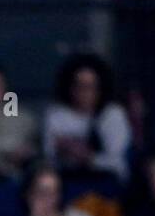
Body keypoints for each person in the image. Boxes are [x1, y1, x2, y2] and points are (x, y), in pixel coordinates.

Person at [42, 53, 132, 184]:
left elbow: (116, 161)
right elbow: (49, 156)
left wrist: (87, 157)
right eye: (79, 86)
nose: (85, 93)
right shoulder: (56, 115)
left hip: (107, 183)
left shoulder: (113, 114)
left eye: (90, 87)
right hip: (68, 182)